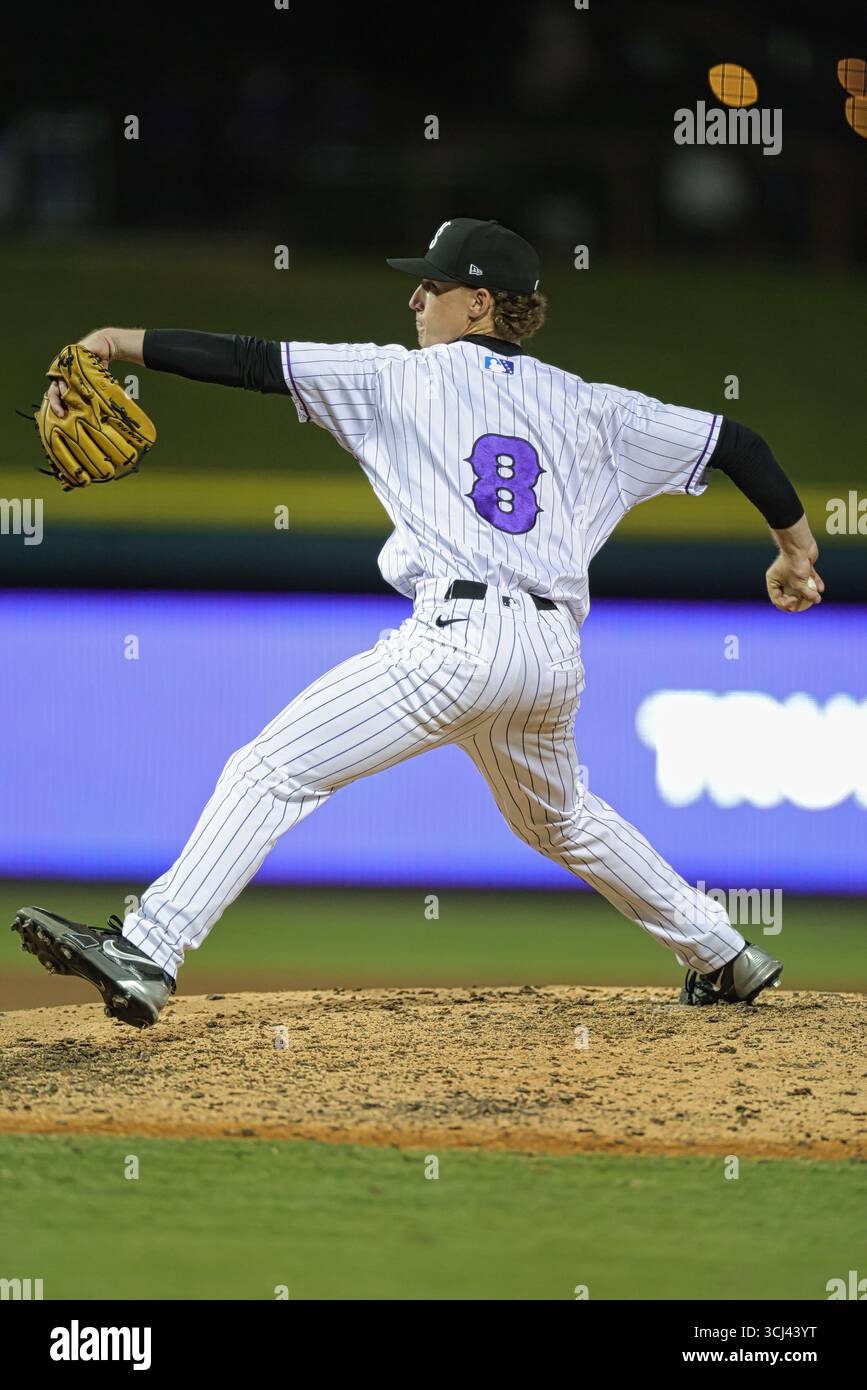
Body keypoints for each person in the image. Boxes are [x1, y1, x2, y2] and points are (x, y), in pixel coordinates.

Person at [12, 217, 823, 1027]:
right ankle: (723, 953)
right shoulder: (594, 407)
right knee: (562, 819)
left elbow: (250, 361)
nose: (413, 297)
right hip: (549, 657)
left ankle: (149, 948)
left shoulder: (394, 378)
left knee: (270, 769)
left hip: (457, 644)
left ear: (477, 303)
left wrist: (116, 341)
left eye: (430, 285)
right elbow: (738, 443)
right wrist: (794, 550)